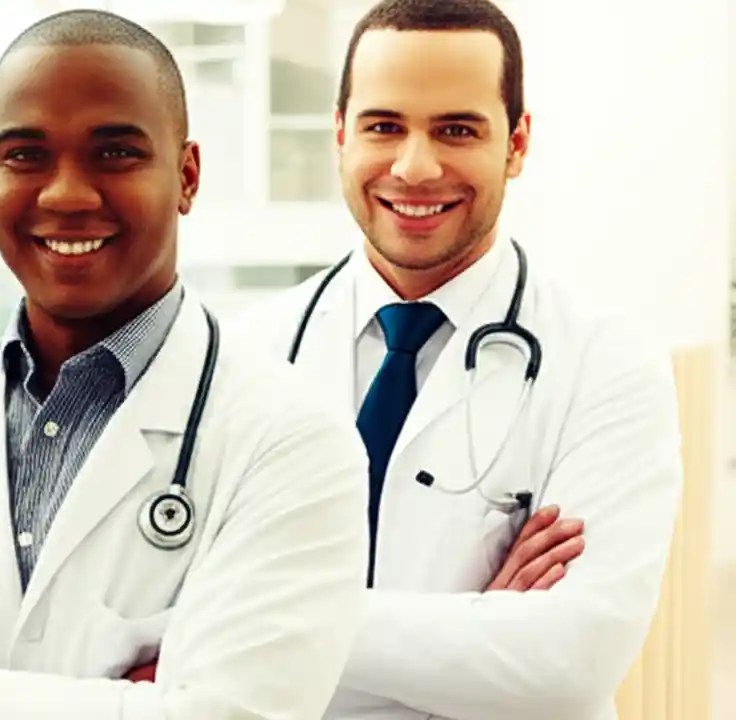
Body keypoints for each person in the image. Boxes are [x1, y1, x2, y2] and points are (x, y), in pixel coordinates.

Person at [0, 9, 370, 720]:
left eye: (114, 154)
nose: (66, 193)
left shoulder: (294, 441)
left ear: (188, 175)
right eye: (26, 155)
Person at [235, 0, 684, 718]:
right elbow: (160, 628)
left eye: (457, 129)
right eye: (385, 126)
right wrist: (480, 627)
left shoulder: (609, 364)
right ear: (340, 135)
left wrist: (267, 615)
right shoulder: (242, 356)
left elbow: (571, 659)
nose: (415, 167)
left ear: (517, 143)